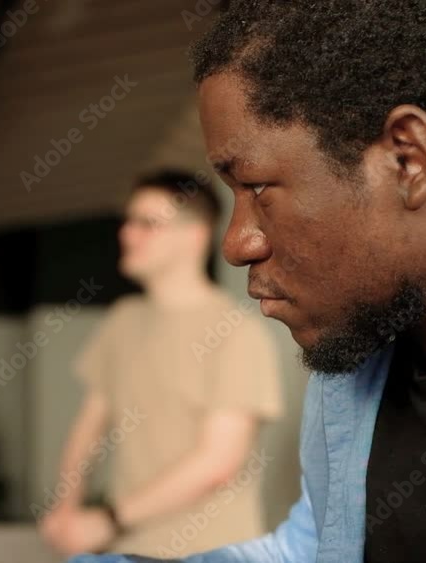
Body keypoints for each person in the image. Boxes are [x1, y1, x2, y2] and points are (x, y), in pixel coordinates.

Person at [73, 0, 426, 562]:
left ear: (408, 160)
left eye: (257, 187)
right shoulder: (365, 340)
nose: (238, 244)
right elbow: (312, 547)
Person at [40, 171, 283, 558]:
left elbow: (218, 461)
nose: (127, 234)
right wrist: (66, 510)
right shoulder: (123, 319)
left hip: (211, 553)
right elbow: (88, 427)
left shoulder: (238, 333)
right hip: (128, 550)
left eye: (147, 223)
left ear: (195, 236)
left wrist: (108, 520)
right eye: (128, 221)